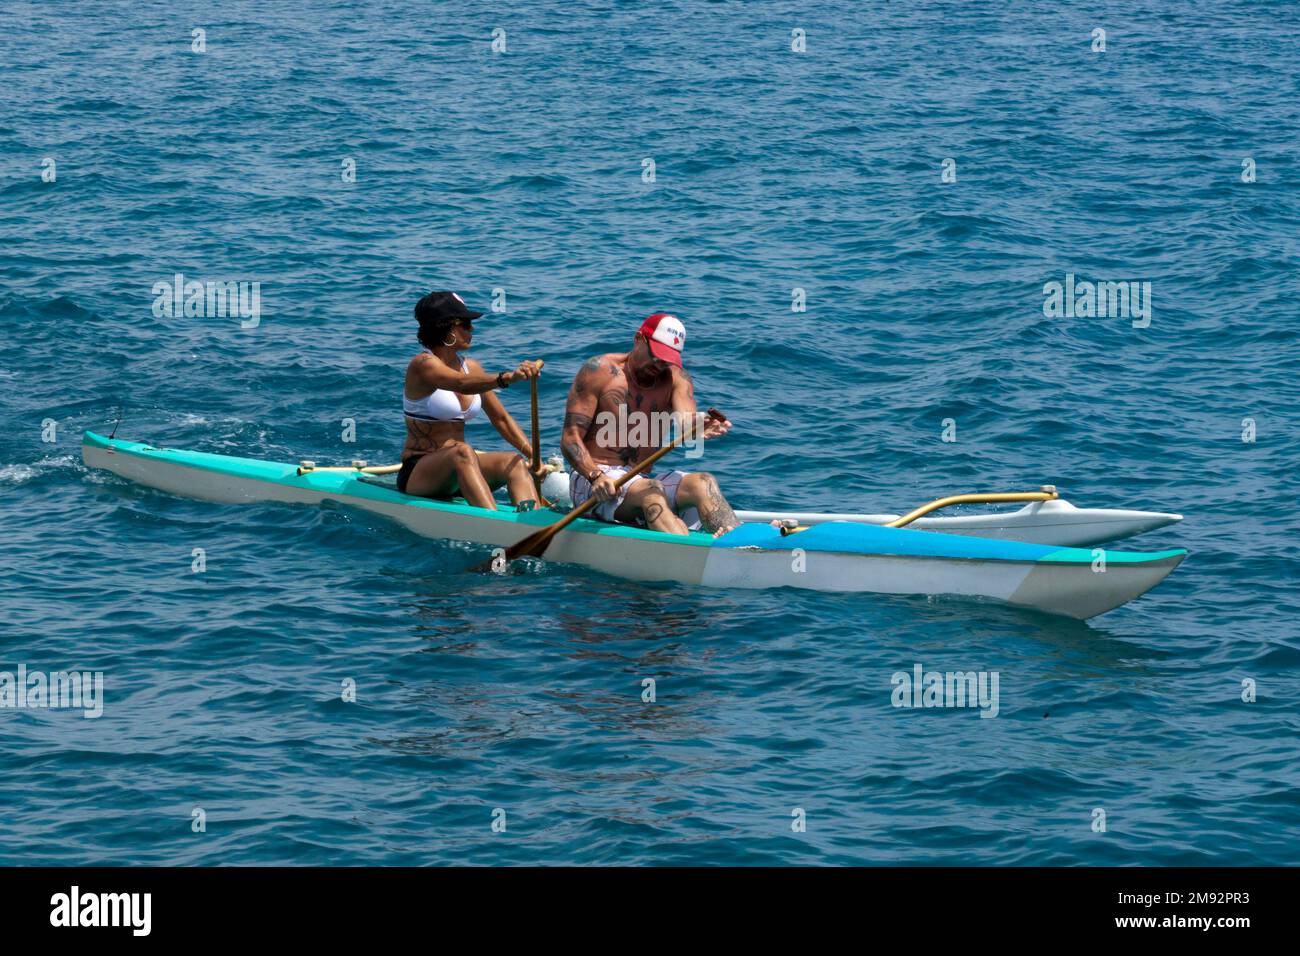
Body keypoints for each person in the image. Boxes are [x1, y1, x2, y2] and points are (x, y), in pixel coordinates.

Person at [560, 313, 738, 536]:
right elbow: (570, 438)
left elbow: (687, 420)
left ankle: (737, 544)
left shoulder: (676, 379)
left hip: (641, 482)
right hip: (595, 483)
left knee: (703, 482)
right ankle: (685, 553)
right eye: (656, 355)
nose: (660, 364)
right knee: (652, 491)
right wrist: (594, 475)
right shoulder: (599, 371)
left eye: (667, 359)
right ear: (638, 339)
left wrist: (698, 425)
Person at [398, 291, 544, 509]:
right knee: (463, 452)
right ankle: (494, 525)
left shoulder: (472, 367)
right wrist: (508, 378)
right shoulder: (422, 365)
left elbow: (501, 419)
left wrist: (534, 456)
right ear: (445, 327)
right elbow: (460, 384)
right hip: (419, 471)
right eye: (465, 324)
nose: (472, 329)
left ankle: (534, 523)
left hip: (461, 470)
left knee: (513, 462)